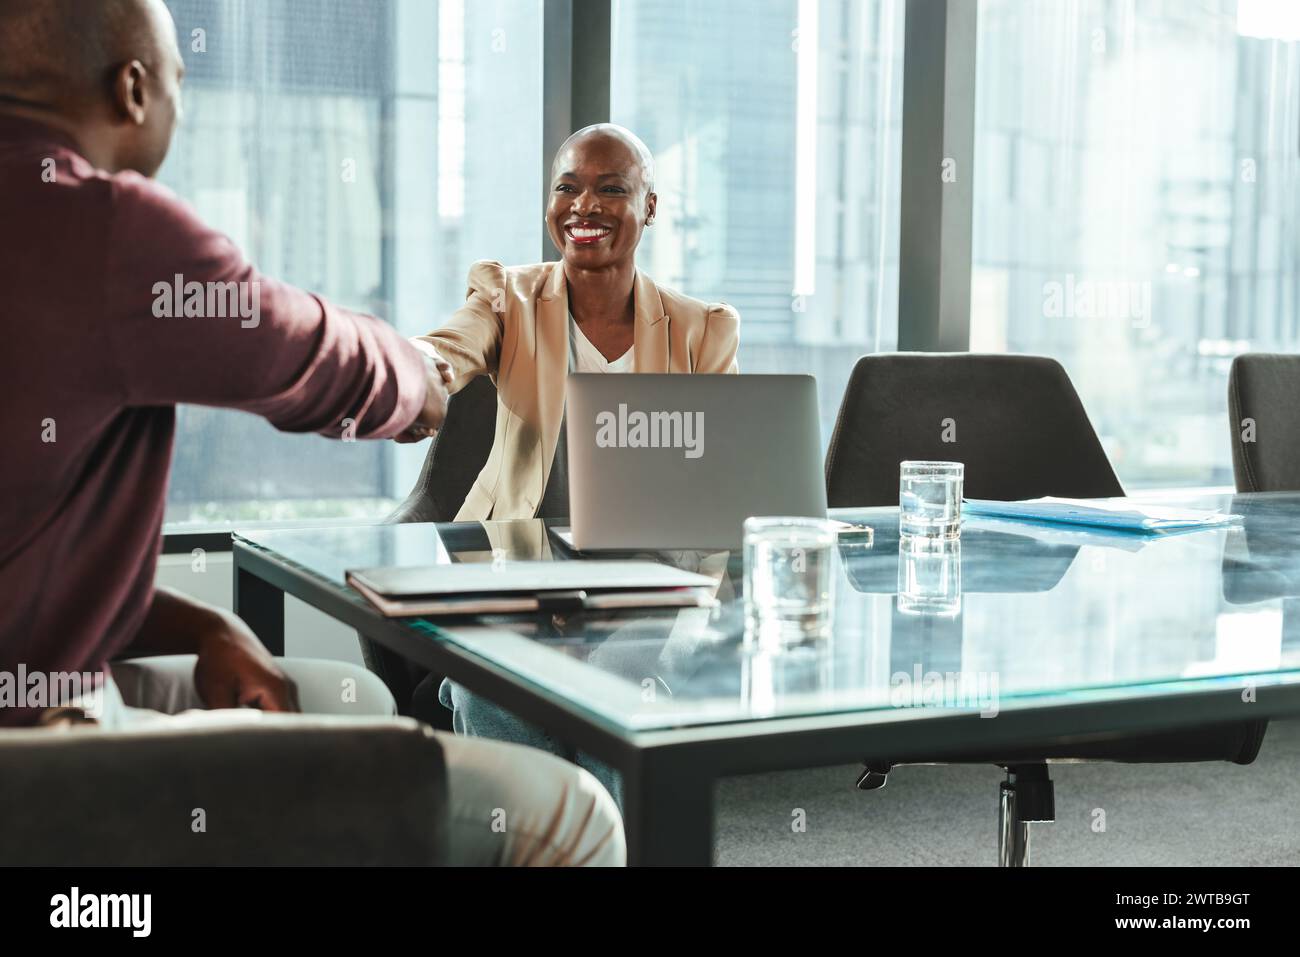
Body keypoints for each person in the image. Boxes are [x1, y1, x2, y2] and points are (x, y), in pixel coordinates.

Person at [0, 0, 622, 866]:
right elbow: (307, 350)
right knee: (572, 812)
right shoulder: (97, 225)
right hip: (36, 752)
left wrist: (209, 627)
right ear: (133, 89)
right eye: (183, 84)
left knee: (350, 695)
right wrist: (419, 381)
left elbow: (28, 567)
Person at [412, 124, 741, 797]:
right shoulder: (509, 296)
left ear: (648, 207)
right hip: (522, 574)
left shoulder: (702, 328)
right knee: (490, 694)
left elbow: (721, 482)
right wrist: (408, 371)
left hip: (653, 579)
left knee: (615, 694)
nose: (583, 206)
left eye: (610, 190)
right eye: (567, 187)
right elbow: (449, 346)